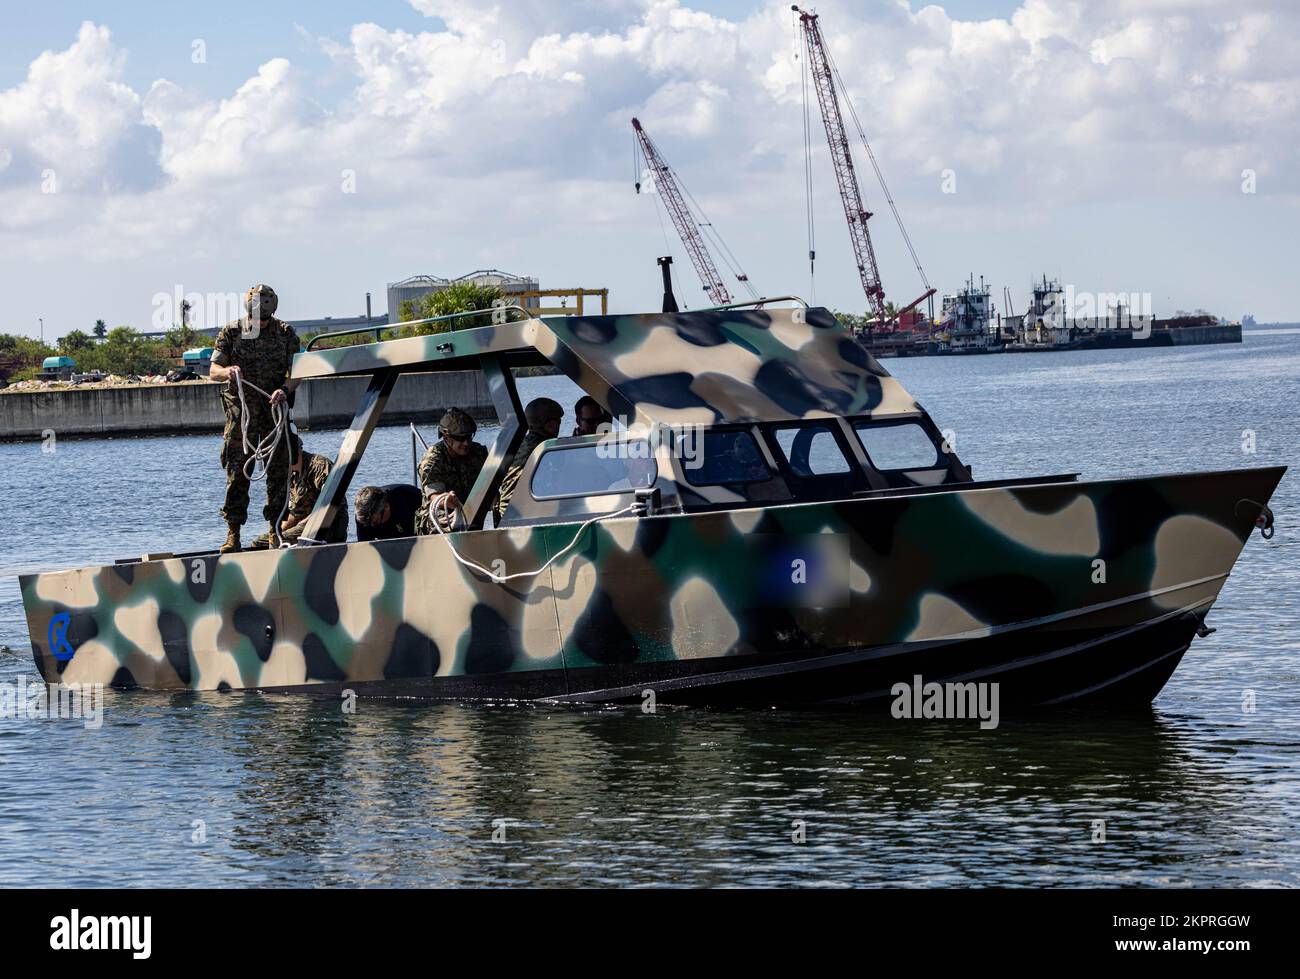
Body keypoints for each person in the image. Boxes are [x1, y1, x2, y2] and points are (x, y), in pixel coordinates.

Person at [208, 284, 301, 553]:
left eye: (264, 317)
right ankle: (233, 534)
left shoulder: (285, 333)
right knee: (237, 473)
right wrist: (227, 371)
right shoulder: (232, 331)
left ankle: (275, 531)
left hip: (274, 414)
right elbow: (213, 370)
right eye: (256, 317)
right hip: (242, 416)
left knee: (278, 474)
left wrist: (284, 390)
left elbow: (299, 372)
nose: (260, 322)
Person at [249, 433, 347, 548]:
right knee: (259, 542)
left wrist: (306, 521)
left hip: (327, 526)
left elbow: (332, 503)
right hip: (304, 526)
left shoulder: (319, 466)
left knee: (277, 542)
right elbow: (295, 514)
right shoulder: (289, 475)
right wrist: (278, 532)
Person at [415, 408, 488, 535]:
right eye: (461, 438)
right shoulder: (433, 460)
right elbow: (435, 497)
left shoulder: (478, 452)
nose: (466, 443)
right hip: (438, 520)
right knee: (445, 514)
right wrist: (447, 500)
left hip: (470, 511)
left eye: (469, 437)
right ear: (447, 438)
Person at [493, 397, 563, 521]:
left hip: (511, 514)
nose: (557, 425)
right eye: (556, 421)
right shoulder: (542, 449)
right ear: (548, 424)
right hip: (522, 517)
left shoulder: (522, 444)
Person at [354, 484, 423, 541]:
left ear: (387, 507)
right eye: (368, 523)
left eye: (376, 522)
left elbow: (411, 539)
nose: (372, 526)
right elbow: (364, 545)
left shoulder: (406, 501)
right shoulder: (363, 517)